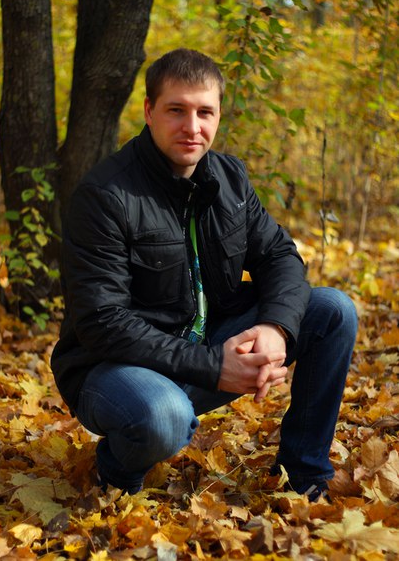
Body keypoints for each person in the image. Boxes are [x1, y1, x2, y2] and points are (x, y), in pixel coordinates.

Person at [51, 48, 357, 501]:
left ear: (218, 115)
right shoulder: (106, 195)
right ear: (150, 112)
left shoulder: (230, 178)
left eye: (204, 112)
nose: (192, 127)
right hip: (114, 369)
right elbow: (103, 323)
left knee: (332, 309)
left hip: (206, 346)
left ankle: (304, 476)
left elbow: (279, 256)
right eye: (176, 110)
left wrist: (275, 327)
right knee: (164, 416)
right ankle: (117, 472)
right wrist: (214, 367)